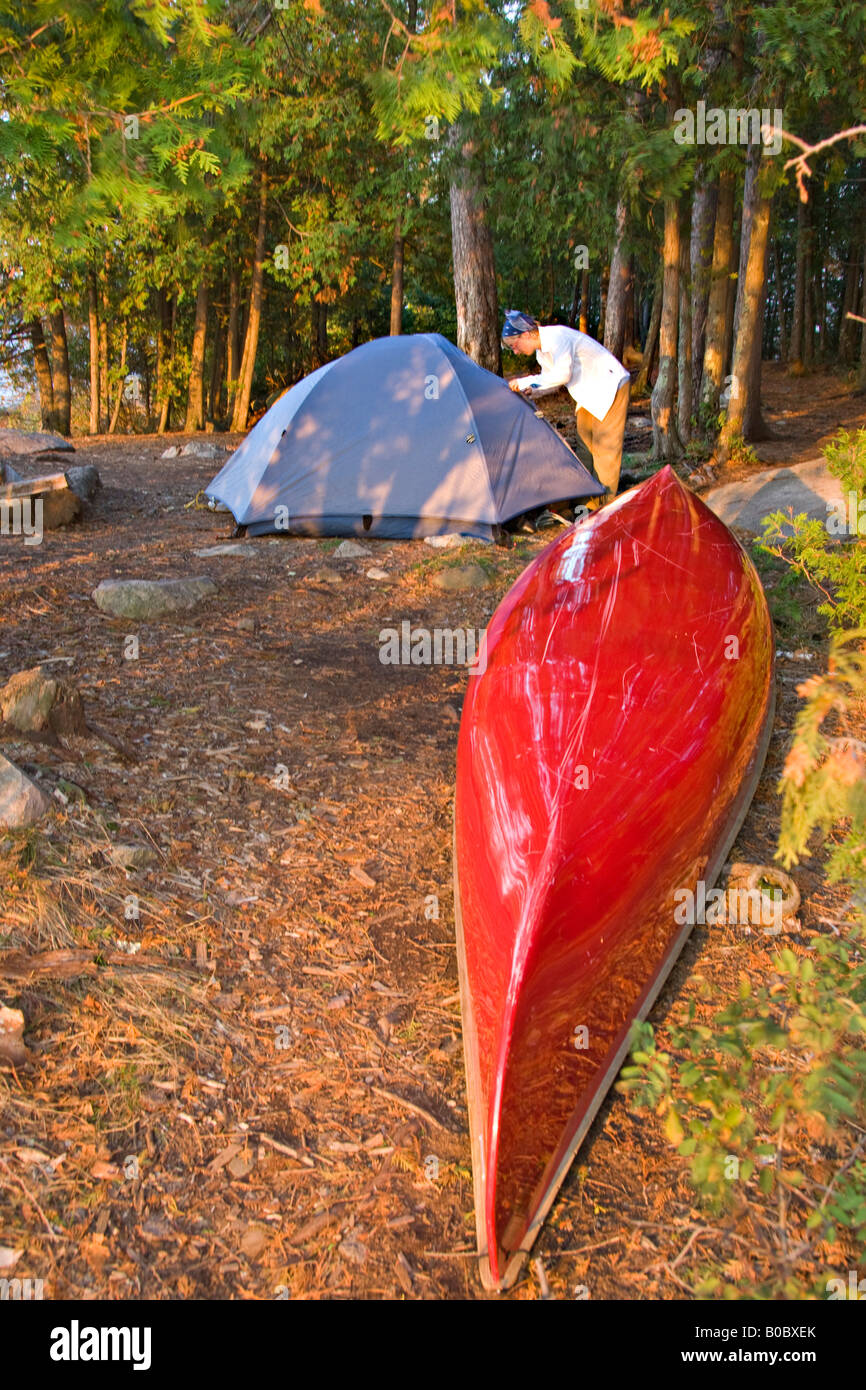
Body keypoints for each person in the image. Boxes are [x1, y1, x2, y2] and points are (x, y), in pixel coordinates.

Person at [502, 310, 631, 509]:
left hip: (609, 385)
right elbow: (550, 380)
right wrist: (531, 390)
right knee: (585, 447)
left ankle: (605, 508)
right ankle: (585, 502)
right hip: (587, 393)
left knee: (605, 450)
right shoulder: (541, 353)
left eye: (514, 346)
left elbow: (562, 374)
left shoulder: (556, 337)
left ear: (526, 335)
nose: (516, 352)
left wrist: (527, 381)